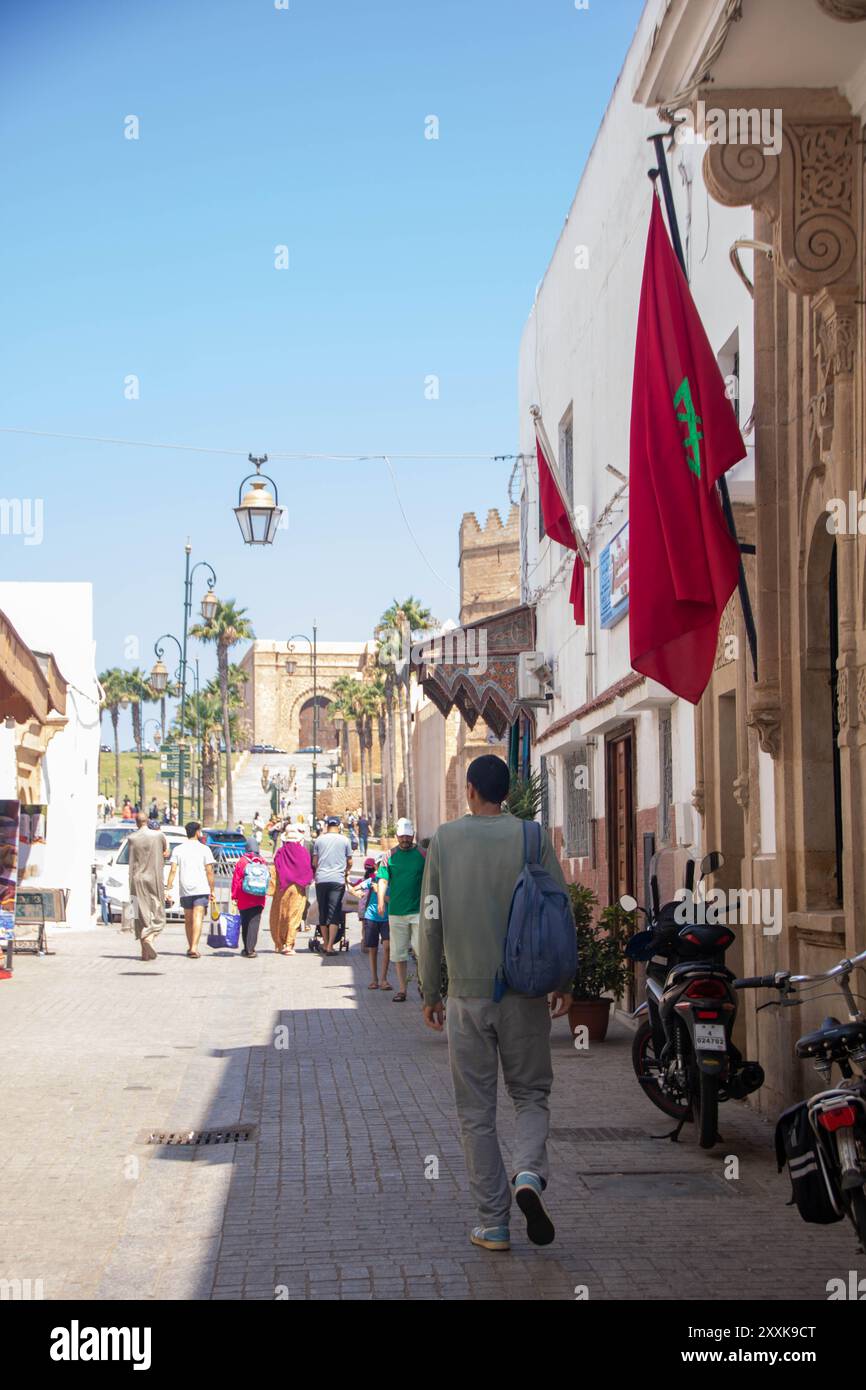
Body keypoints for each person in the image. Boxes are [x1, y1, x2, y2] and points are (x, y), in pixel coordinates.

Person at [418, 754, 572, 1254]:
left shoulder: (443, 840)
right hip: (525, 993)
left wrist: (430, 989)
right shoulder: (531, 836)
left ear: (469, 790)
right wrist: (564, 979)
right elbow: (559, 908)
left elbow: (431, 919)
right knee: (531, 1095)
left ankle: (494, 1222)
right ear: (507, 791)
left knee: (476, 1112)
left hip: (465, 996)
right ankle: (528, 1172)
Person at [376, 818, 425, 1003]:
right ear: (397, 836)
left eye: (408, 836)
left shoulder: (423, 853)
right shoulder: (389, 856)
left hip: (419, 910)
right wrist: (381, 899)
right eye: (402, 836)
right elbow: (382, 879)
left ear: (413, 835)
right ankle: (403, 989)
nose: (405, 839)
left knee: (421, 951)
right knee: (398, 953)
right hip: (396, 911)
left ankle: (423, 985)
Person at [166, 821, 216, 959]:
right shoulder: (204, 849)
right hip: (201, 888)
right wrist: (212, 889)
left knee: (188, 919)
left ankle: (191, 946)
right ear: (197, 832)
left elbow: (173, 869)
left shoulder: (178, 849)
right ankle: (194, 947)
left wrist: (168, 886)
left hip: (185, 888)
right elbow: (209, 871)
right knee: (197, 917)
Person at [126, 812, 170, 961]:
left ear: (136, 822)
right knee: (157, 912)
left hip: (135, 879)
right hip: (153, 878)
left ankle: (144, 953)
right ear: (148, 821)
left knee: (138, 914)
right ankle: (149, 937)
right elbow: (166, 852)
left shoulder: (131, 838)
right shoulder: (158, 836)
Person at [344, 856, 390, 989]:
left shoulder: (392, 882)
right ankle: (374, 979)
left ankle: (384, 979)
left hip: (387, 918)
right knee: (373, 949)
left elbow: (393, 901)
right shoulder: (372, 880)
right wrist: (359, 895)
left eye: (383, 865)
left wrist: (380, 893)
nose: (381, 867)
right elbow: (353, 889)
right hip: (371, 917)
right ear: (376, 867)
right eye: (379, 865)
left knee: (387, 947)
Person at [311, 815, 352, 955]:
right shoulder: (345, 840)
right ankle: (330, 946)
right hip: (337, 880)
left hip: (321, 879)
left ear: (326, 825)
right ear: (339, 825)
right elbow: (350, 861)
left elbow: (314, 862)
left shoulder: (319, 840)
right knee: (334, 911)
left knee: (323, 911)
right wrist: (346, 870)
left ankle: (325, 942)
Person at [270, 824, 314, 954]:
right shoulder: (302, 852)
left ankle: (279, 944)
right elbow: (307, 869)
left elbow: (275, 869)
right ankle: (289, 945)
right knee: (294, 915)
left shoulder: (280, 852)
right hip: (297, 889)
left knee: (280, 915)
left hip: (282, 888)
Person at [231, 838, 270, 958]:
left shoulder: (242, 861)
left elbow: (236, 880)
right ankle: (251, 949)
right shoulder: (262, 861)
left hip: (244, 896)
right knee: (254, 922)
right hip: (258, 897)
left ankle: (246, 948)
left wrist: (234, 895)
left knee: (245, 922)